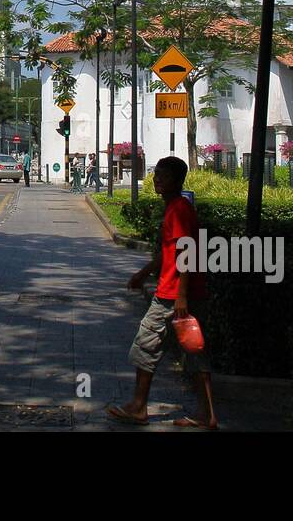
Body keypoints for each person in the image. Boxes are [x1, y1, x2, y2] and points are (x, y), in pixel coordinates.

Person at [107, 156, 217, 429]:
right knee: (194, 352)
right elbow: (168, 252)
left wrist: (180, 296)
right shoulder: (176, 208)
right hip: (177, 292)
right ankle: (207, 415)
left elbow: (185, 252)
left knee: (147, 345)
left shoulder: (178, 209)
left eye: (163, 176)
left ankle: (138, 406)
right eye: (156, 175)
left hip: (173, 296)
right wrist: (143, 273)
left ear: (177, 182)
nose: (157, 180)